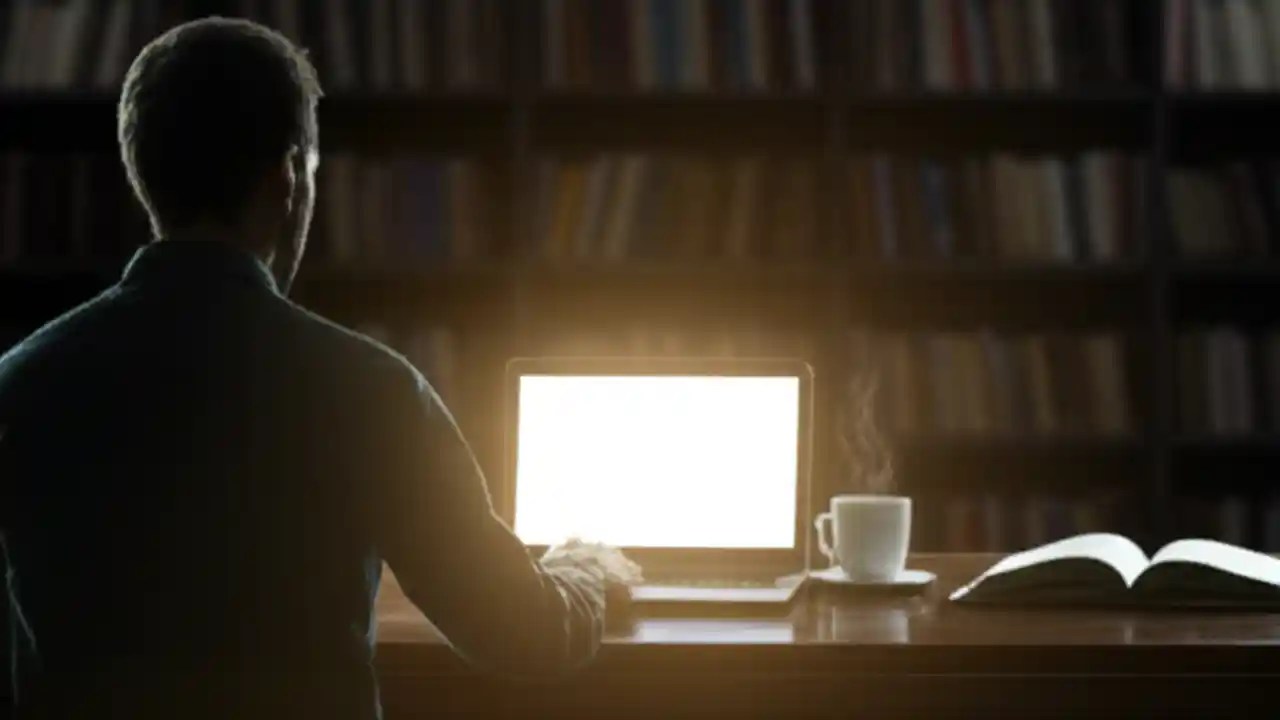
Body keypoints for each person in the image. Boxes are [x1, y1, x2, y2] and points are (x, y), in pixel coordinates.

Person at [0, 17, 636, 720]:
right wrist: (581, 569)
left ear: (142, 173)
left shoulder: (18, 384)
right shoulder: (371, 390)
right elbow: (526, 634)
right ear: (288, 179)